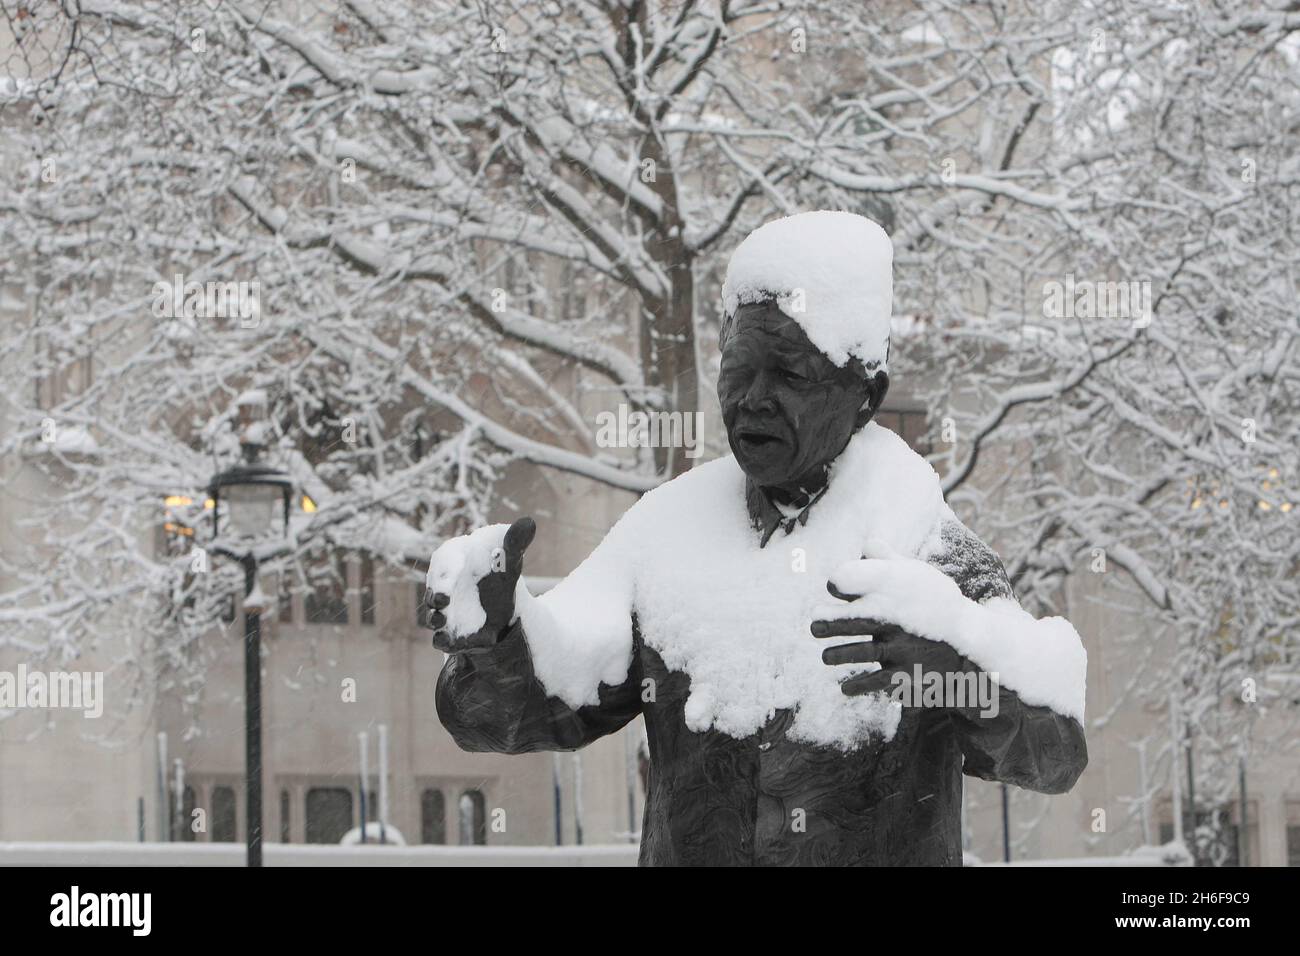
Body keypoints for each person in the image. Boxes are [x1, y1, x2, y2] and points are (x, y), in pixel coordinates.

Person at [426, 211, 1088, 866]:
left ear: (865, 394)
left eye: (790, 375)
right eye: (739, 370)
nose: (754, 400)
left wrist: (961, 671)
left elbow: (1054, 752)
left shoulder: (925, 550)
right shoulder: (666, 532)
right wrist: (498, 644)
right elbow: (527, 711)